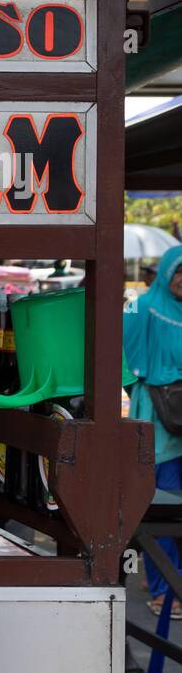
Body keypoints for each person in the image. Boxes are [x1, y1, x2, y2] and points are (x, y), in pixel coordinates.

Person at [123, 246, 182, 620]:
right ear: (165, 272)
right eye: (179, 272)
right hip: (159, 423)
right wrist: (148, 390)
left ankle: (166, 580)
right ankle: (165, 592)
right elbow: (125, 360)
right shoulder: (143, 307)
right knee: (164, 504)